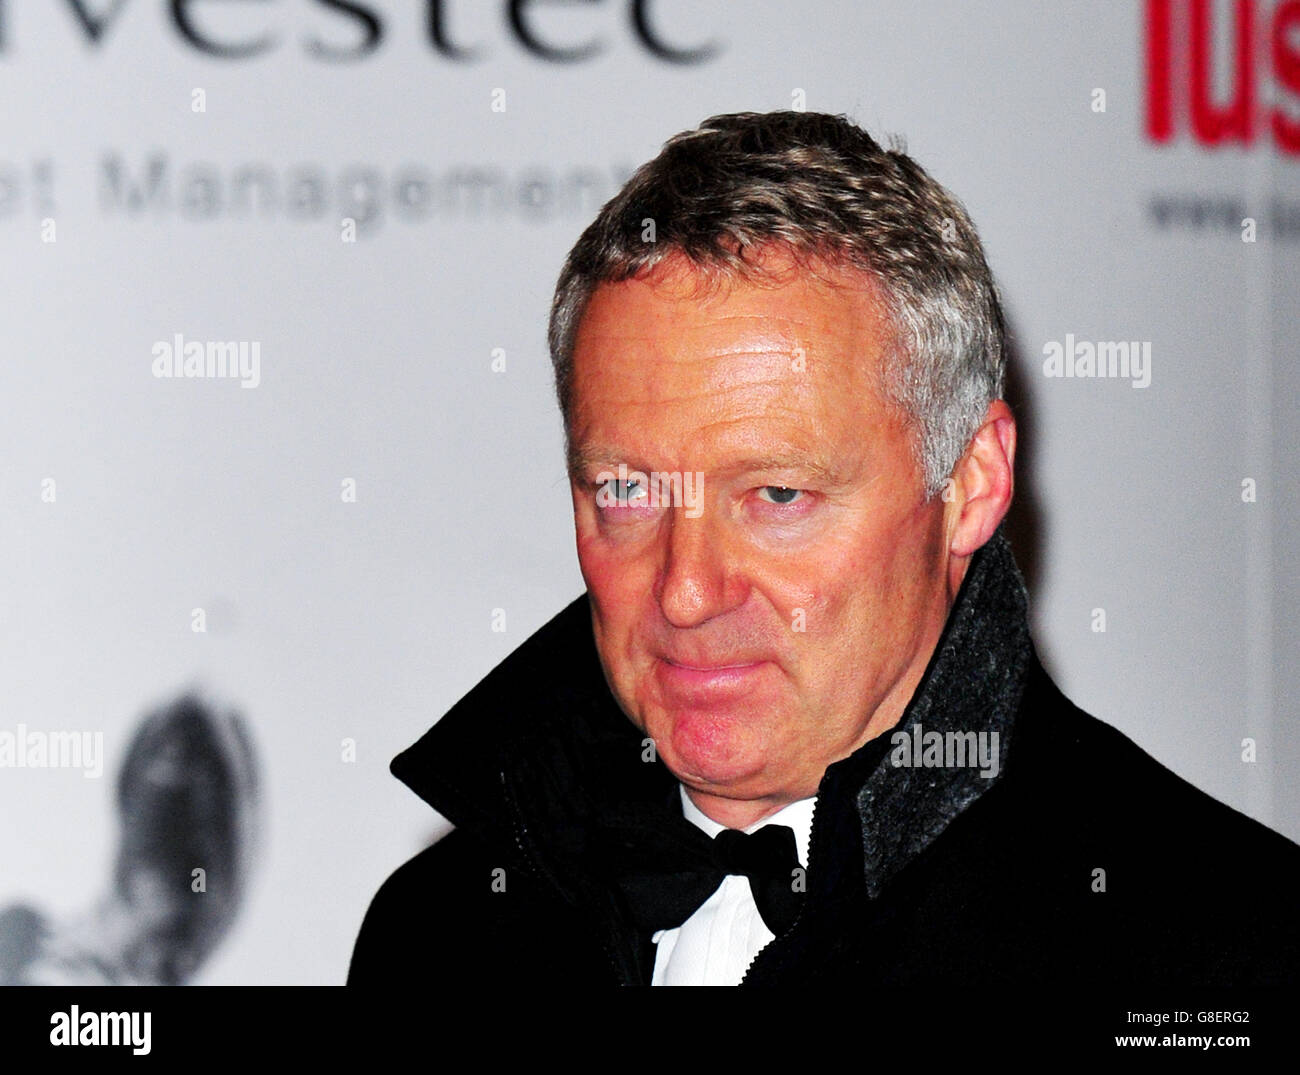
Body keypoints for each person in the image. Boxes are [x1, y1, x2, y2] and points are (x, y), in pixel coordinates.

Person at [348, 110, 1300, 986]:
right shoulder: (438, 934)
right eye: (627, 490)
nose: (685, 592)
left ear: (970, 484)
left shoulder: (1213, 946)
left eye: (776, 494)